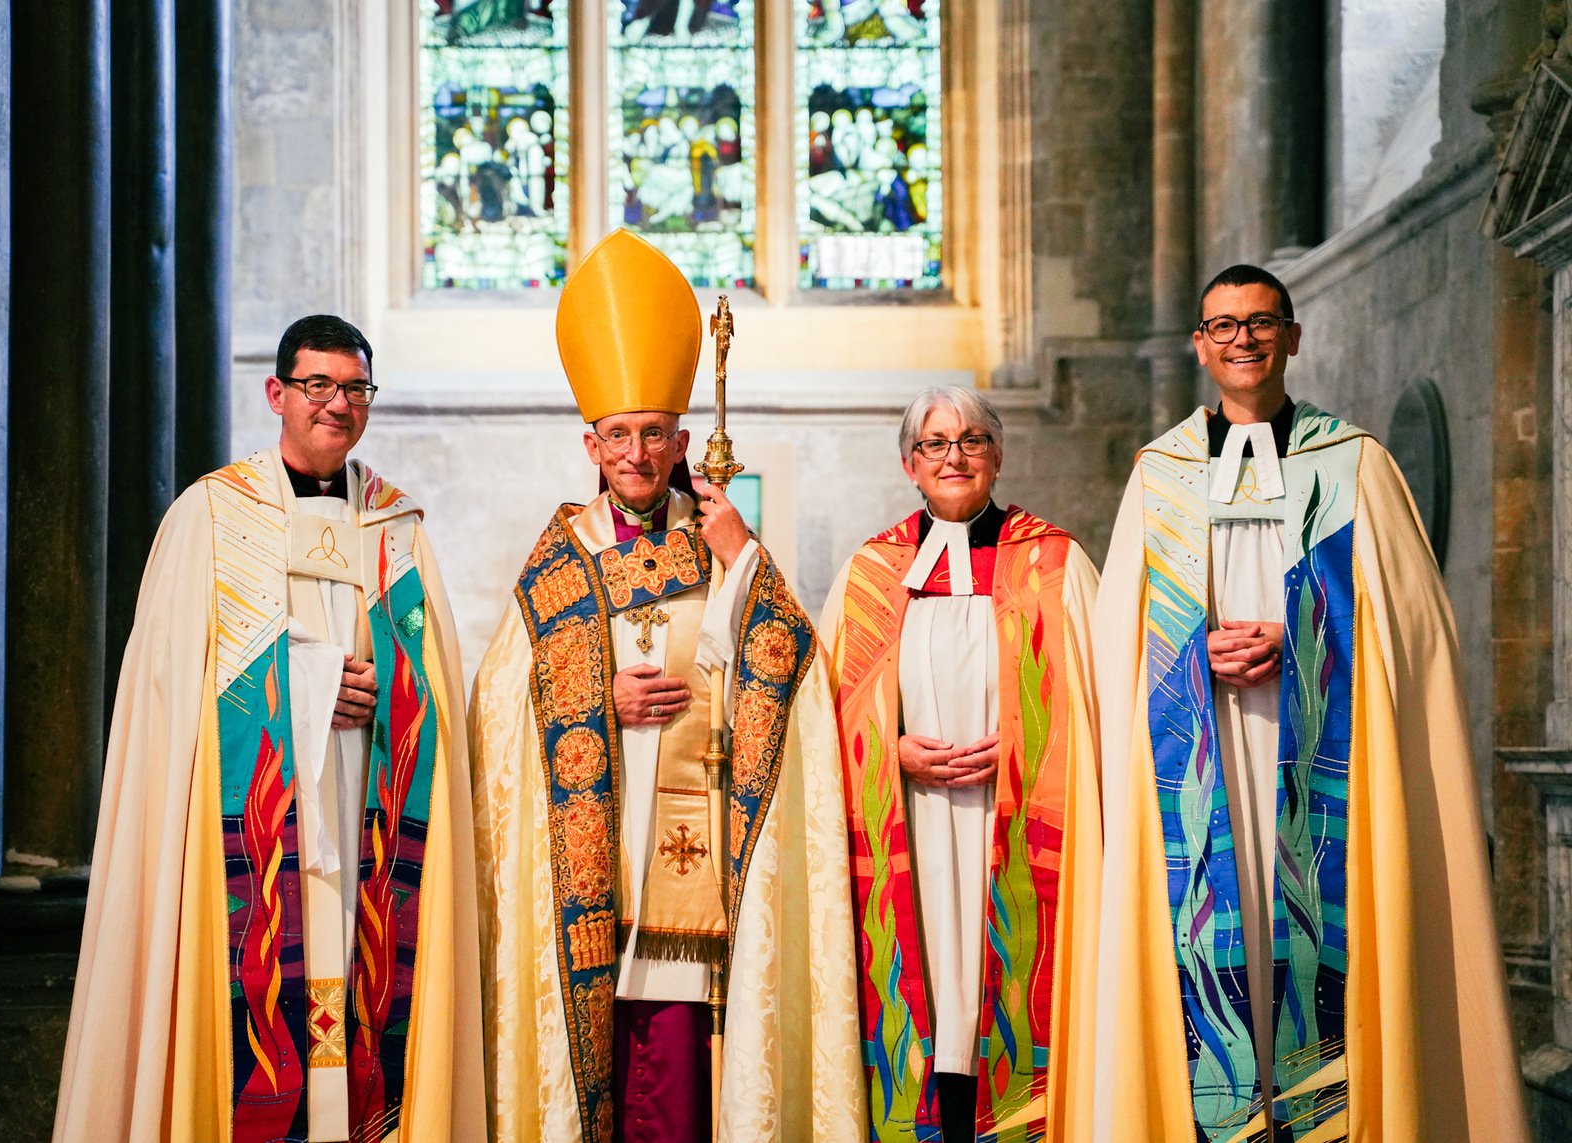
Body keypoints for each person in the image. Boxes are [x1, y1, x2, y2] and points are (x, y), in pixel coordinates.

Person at [1092, 265, 1528, 1142]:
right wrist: (1190, 656)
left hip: (1329, 762)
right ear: (1200, 346)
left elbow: (1414, 635)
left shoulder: (1356, 465)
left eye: (1261, 323)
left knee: (1325, 942)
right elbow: (1113, 646)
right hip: (1205, 754)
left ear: (1293, 336)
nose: (1242, 339)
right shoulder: (1161, 475)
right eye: (1224, 325)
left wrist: (1302, 652)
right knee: (1224, 935)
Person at [469, 229, 864, 1143]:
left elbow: (791, 679)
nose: (636, 452)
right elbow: (498, 708)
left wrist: (742, 559)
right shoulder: (562, 558)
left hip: (695, 864)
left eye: (653, 434)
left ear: (682, 439)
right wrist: (593, 705)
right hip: (594, 859)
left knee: (687, 1072)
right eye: (618, 435)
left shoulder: (722, 546)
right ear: (591, 442)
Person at [52, 315, 486, 1143]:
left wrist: (393, 694)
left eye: (355, 387)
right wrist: (305, 686)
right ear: (276, 393)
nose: (337, 404)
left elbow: (438, 689)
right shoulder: (211, 518)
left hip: (369, 827)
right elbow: (167, 688)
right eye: (317, 385)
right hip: (250, 851)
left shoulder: (398, 528)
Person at [819, 386, 1102, 1143]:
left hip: (1015, 831)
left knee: (1000, 984)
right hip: (909, 824)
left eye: (972, 440)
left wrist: (1024, 752)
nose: (955, 456)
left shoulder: (1055, 562)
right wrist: (891, 746)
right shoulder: (872, 573)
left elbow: (1101, 700)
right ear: (910, 464)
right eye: (936, 443)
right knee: (929, 992)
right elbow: (827, 710)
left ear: (999, 455)